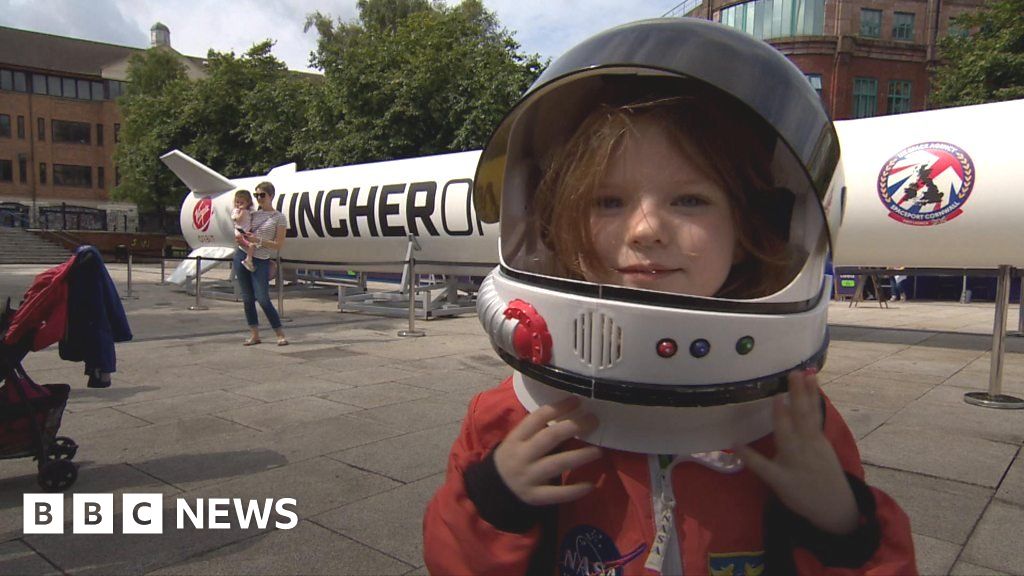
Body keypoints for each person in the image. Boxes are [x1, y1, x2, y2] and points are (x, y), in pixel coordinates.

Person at [424, 19, 916, 575]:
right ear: (555, 223)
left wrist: (842, 524)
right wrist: (494, 502)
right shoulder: (508, 418)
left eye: (689, 200)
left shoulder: (795, 423)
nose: (645, 230)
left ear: (756, 227)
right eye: (607, 202)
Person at [233, 181, 288, 346]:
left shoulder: (279, 217)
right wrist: (242, 237)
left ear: (271, 196)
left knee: (263, 298)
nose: (259, 199)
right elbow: (238, 225)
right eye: (256, 195)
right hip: (242, 254)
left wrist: (258, 240)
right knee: (247, 298)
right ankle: (254, 334)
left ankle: (279, 333)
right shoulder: (252, 214)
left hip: (261, 259)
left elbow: (278, 244)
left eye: (262, 195)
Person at [231, 189, 257, 272]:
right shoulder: (236, 211)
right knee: (251, 245)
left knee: (253, 244)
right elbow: (238, 220)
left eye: (242, 203)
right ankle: (248, 260)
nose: (239, 205)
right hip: (240, 232)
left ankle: (248, 259)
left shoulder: (249, 211)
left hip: (246, 232)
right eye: (237, 202)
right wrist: (242, 211)